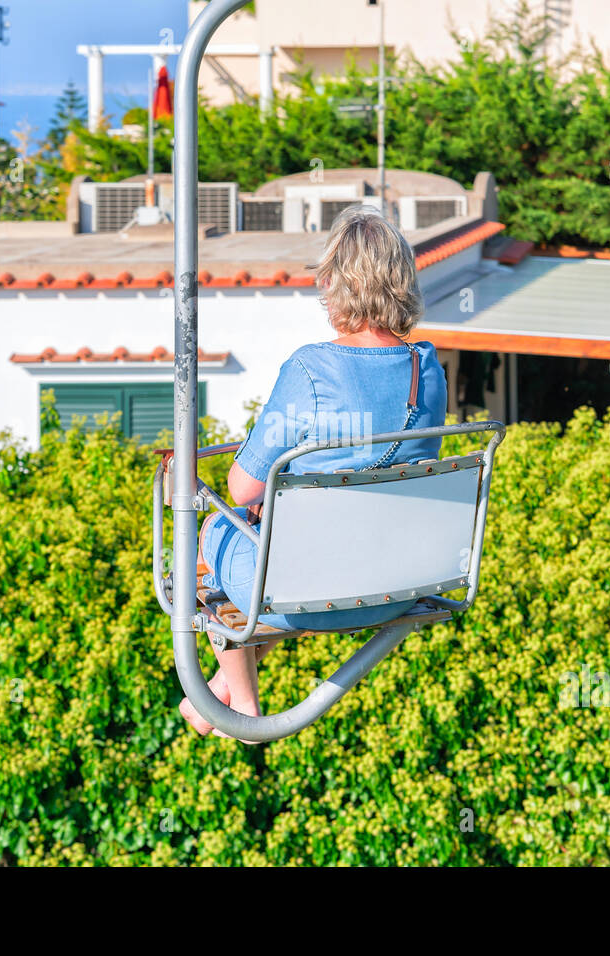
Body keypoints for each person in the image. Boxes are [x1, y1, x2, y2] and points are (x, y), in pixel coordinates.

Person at [180, 204, 447, 741]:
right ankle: (225, 689)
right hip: (396, 584)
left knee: (207, 529)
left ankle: (244, 707)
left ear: (336, 283)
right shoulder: (429, 367)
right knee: (261, 539)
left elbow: (242, 486)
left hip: (302, 591)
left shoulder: (311, 368)